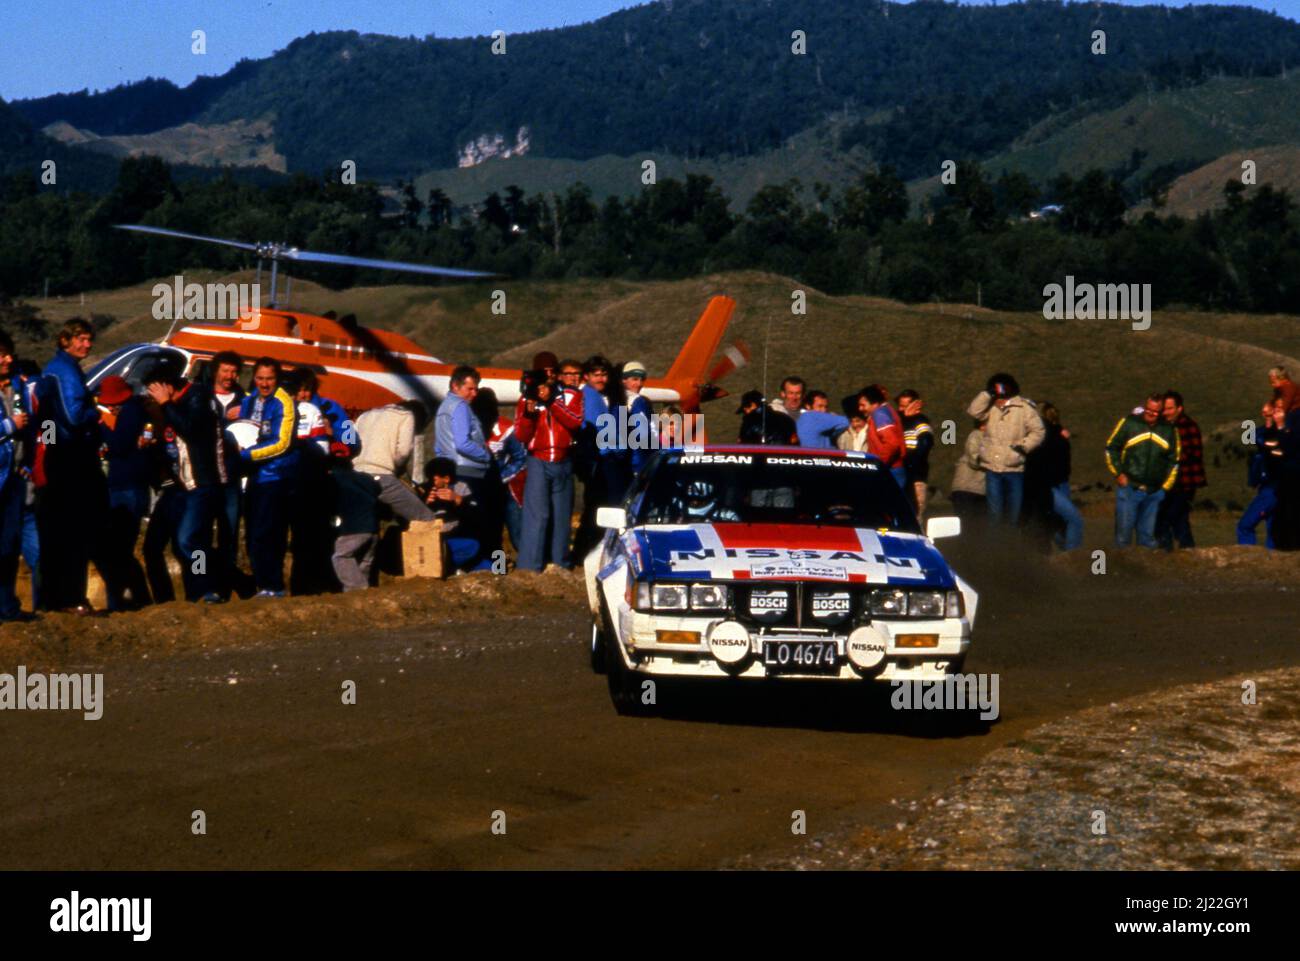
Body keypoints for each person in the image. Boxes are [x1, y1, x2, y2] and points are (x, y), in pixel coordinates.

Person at [35, 318, 107, 613]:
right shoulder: (65, 371)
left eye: (89, 339)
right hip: (72, 459)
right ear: (65, 339)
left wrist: (50, 446)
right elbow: (75, 416)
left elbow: (46, 418)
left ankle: (53, 598)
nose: (86, 344)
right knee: (75, 531)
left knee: (56, 532)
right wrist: (95, 413)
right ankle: (72, 598)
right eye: (80, 338)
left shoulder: (54, 369)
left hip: (58, 456)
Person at [144, 360, 227, 603]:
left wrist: (166, 404)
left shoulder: (197, 397)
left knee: (189, 539)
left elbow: (191, 430)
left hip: (203, 482)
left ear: (166, 386)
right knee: (188, 542)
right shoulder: (177, 404)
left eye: (154, 389)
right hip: (184, 484)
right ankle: (197, 592)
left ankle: (207, 588)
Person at [238, 358, 299, 597]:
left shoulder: (283, 402)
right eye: (260, 378)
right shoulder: (249, 400)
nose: (265, 384)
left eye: (270, 379)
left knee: (269, 532)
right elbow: (242, 430)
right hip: (253, 477)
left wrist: (246, 455)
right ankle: (262, 584)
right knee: (253, 532)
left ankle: (274, 586)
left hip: (277, 475)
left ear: (278, 379)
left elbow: (282, 443)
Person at [514, 366, 584, 571]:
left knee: (562, 515)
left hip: (563, 459)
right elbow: (521, 436)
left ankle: (561, 562)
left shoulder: (567, 397)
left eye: (552, 374)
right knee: (538, 515)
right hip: (538, 458)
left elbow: (575, 422)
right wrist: (529, 415)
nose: (545, 386)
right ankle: (529, 567)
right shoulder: (527, 400)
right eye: (542, 380)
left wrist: (552, 402)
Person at [98, 375, 153, 611]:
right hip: (127, 485)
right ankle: (135, 598)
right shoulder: (132, 411)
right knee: (120, 550)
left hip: (127, 487)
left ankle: (122, 601)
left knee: (117, 550)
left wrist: (100, 425)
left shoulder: (130, 412)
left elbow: (119, 445)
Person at [966, 373, 1045, 527]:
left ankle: (1011, 541)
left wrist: (1024, 446)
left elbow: (1038, 431)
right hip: (992, 467)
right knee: (994, 513)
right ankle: (996, 543)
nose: (999, 395)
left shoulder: (1024, 408)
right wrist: (986, 393)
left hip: (1014, 467)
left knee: (1013, 512)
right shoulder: (990, 407)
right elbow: (974, 411)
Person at [285, 369, 337, 595]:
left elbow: (351, 441)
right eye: (300, 390)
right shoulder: (284, 408)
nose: (304, 394)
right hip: (290, 481)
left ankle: (320, 584)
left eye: (307, 389)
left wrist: (332, 436)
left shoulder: (332, 408)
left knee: (317, 535)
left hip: (321, 478)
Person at [1105, 393, 1180, 548]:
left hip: (1154, 492)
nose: (1150, 414)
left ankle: (1144, 571)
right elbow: (1111, 448)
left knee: (1147, 539)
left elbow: (1174, 461)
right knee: (1123, 538)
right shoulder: (1129, 423)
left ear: (1160, 412)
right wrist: (1118, 473)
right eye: (1147, 410)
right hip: (1129, 488)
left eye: (1154, 412)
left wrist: (1164, 487)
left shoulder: (1169, 431)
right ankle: (1120, 570)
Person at [435, 366, 493, 553]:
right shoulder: (460, 407)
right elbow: (462, 443)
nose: (474, 394)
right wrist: (485, 455)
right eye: (470, 389)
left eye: (476, 389)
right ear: (455, 386)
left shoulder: (444, 407)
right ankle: (486, 566)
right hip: (468, 471)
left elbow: (439, 444)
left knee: (456, 520)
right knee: (475, 521)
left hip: (451, 470)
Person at [0, 331, 37, 620]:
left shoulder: (16, 388)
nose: (8, 359)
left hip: (12, 476)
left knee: (10, 546)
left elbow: (38, 429)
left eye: (9, 353)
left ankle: (8, 606)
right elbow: (13, 426)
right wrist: (8, 426)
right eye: (2, 354)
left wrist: (30, 463)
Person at [209, 351, 251, 599]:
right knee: (199, 535)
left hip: (232, 478)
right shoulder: (201, 396)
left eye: (234, 372)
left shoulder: (246, 400)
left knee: (229, 533)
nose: (229, 376)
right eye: (225, 370)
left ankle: (224, 586)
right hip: (204, 479)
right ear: (215, 371)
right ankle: (201, 582)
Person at [354, 400, 435, 523]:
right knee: (426, 518)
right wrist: (396, 465)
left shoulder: (364, 416)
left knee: (365, 526)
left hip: (355, 477)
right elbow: (403, 451)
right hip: (381, 477)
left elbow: (351, 444)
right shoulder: (406, 416)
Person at [1152, 390, 1205, 551]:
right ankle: (1186, 548)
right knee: (1176, 517)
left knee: (1168, 516)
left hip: (1185, 482)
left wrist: (1169, 456)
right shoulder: (1163, 426)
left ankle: (1168, 548)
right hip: (1168, 482)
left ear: (1179, 409)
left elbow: (1193, 454)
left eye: (1169, 409)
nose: (1165, 412)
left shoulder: (1188, 426)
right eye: (1164, 409)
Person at [572, 355, 613, 558]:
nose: (601, 379)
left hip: (596, 458)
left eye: (604, 374)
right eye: (596, 375)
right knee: (597, 508)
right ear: (586, 376)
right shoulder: (590, 397)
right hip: (596, 460)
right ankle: (585, 552)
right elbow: (594, 430)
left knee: (594, 507)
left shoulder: (595, 396)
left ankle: (584, 551)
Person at [421, 457, 492, 572]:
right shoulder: (424, 490)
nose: (430, 482)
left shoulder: (461, 488)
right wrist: (425, 504)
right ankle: (449, 567)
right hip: (433, 541)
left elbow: (477, 516)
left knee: (487, 563)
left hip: (456, 538)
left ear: (447, 479)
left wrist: (458, 501)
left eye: (433, 479)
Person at [1237, 396, 1285, 548]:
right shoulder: (1262, 432)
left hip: (1271, 488)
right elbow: (1249, 439)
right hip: (1269, 486)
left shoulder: (1278, 435)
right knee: (1273, 530)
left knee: (1245, 525)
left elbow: (1265, 444)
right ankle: (1272, 561)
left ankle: (1249, 557)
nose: (1265, 414)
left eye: (1270, 412)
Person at [330, 457, 382, 591]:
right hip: (373, 528)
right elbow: (378, 489)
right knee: (363, 562)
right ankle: (361, 597)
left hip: (353, 529)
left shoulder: (333, 479)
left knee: (341, 556)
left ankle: (358, 589)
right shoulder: (365, 478)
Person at [1037, 403, 1083, 551]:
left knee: (1060, 521)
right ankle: (1072, 555)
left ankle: (1065, 551)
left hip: (1061, 481)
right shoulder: (1046, 434)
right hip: (1049, 484)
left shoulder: (1058, 433)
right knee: (1074, 519)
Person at [897, 389, 935, 521]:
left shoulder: (920, 422)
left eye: (905, 406)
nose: (901, 409)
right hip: (904, 477)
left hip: (916, 479)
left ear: (917, 405)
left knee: (915, 518)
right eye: (900, 406)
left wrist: (909, 463)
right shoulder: (901, 421)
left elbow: (926, 442)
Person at [860, 385, 907, 487]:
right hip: (892, 469)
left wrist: (878, 463)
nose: (860, 409)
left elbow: (892, 444)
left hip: (890, 470)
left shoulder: (880, 415)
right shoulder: (885, 411)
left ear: (874, 403)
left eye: (863, 405)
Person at [949, 420, 987, 524]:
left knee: (974, 525)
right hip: (967, 487)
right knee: (965, 523)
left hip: (977, 488)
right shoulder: (976, 435)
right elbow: (974, 458)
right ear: (983, 426)